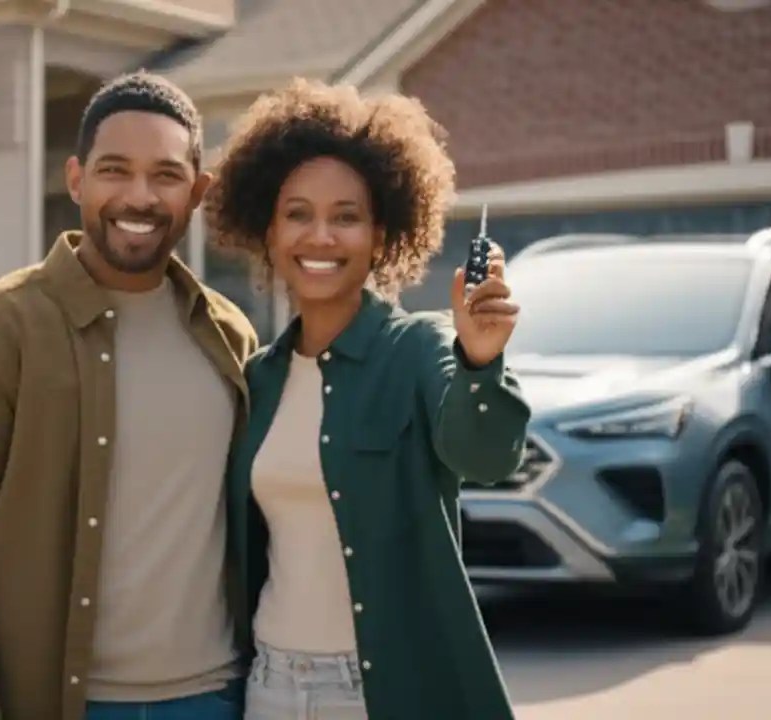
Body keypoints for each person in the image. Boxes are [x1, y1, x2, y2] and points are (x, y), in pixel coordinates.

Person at [0, 71, 258, 720]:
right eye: (115, 170)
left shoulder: (229, 334)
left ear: (197, 192)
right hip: (62, 705)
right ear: (76, 179)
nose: (139, 196)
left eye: (166, 175)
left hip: (216, 699)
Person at [204, 78, 530, 719]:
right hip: (268, 685)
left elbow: (488, 457)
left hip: (375, 695)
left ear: (381, 235)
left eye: (346, 217)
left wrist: (481, 363)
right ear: (269, 232)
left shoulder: (419, 349)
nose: (320, 236)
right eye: (298, 214)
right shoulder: (258, 378)